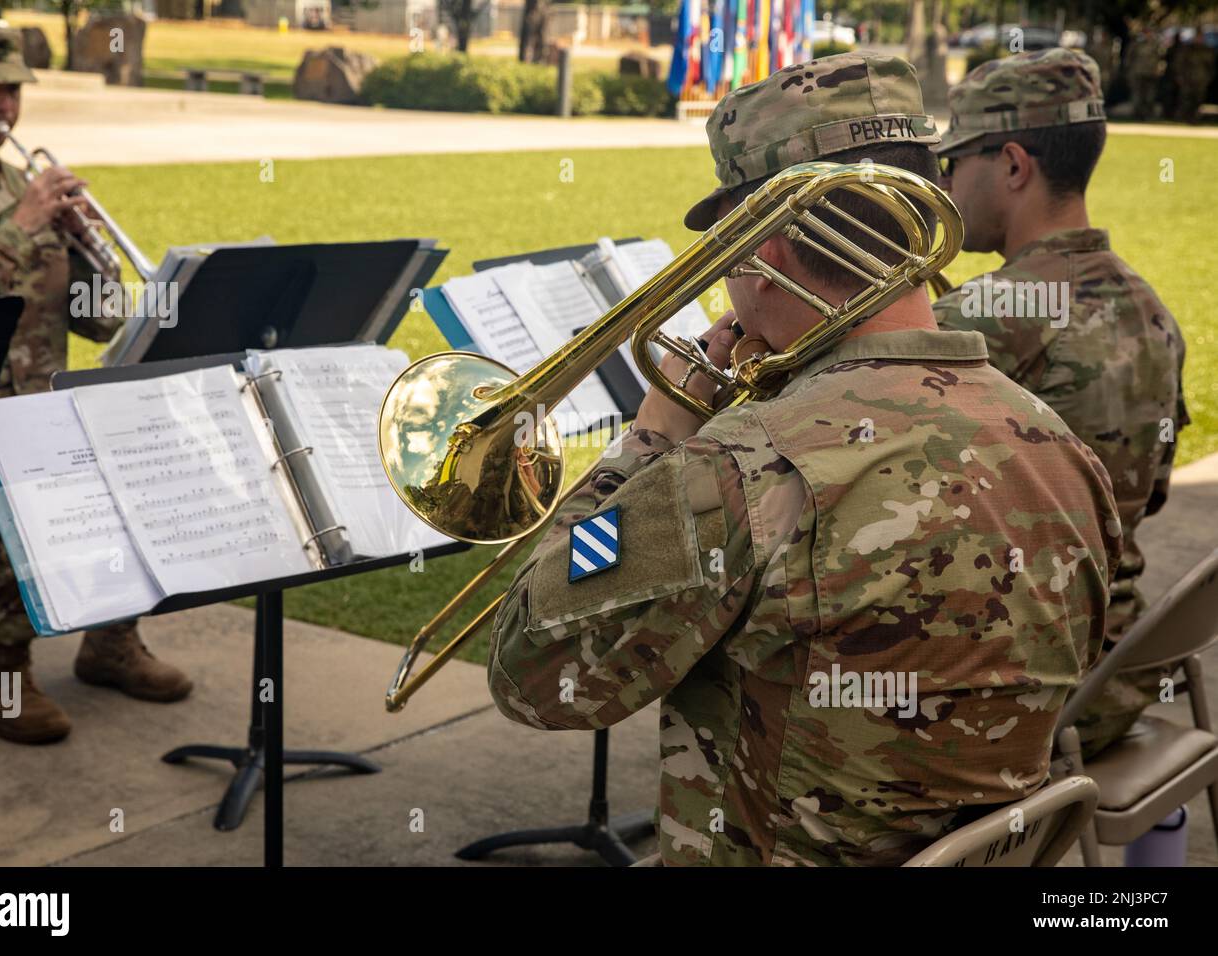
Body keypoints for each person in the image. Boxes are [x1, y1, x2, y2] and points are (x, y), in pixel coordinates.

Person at [484, 52, 1122, 866]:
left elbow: (529, 672)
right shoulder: (1060, 452)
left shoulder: (733, 472)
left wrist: (653, 434)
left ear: (767, 250)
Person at [0, 19, 192, 745]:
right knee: (29, 483)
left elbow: (101, 326)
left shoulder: (27, 186)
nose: (2, 104)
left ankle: (108, 641)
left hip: (39, 414)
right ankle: (2, 665)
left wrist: (92, 256)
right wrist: (20, 230)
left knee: (141, 462)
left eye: (12, 88)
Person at [932, 49, 1187, 760]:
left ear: (1013, 164)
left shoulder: (979, 318)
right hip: (1119, 663)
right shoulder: (1148, 304)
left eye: (953, 162)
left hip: (1030, 682)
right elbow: (1150, 493)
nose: (944, 182)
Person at [1126, 32, 1165, 121]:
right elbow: (1129, 59)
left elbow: (1161, 59)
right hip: (1138, 73)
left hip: (1151, 74)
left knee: (1150, 96)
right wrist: (1130, 72)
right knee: (1137, 96)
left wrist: (1158, 70)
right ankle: (1137, 115)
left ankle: (1148, 115)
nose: (1148, 35)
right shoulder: (1137, 45)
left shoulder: (1156, 45)